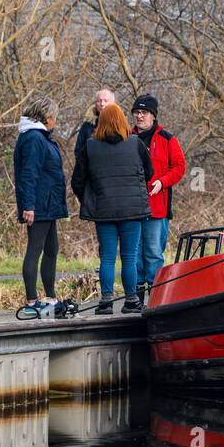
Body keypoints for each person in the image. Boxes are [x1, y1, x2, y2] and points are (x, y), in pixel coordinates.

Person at [71, 102, 155, 314]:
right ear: (122, 120)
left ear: (101, 123)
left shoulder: (90, 146)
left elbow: (77, 181)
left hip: (104, 210)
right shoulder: (135, 143)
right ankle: (131, 301)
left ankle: (106, 302)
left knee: (107, 257)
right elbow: (150, 172)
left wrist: (89, 199)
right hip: (132, 209)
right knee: (129, 256)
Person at [13, 96, 68, 317]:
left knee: (52, 249)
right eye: (54, 117)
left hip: (48, 204)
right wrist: (29, 206)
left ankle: (50, 297)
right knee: (35, 249)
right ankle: (31, 301)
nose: (55, 121)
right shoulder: (35, 138)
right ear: (47, 118)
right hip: (39, 204)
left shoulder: (39, 137)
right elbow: (29, 174)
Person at [130, 95, 187, 301]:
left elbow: (179, 167)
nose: (139, 116)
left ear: (153, 116)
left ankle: (156, 298)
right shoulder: (126, 137)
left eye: (143, 113)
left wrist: (162, 182)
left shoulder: (167, 138)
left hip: (158, 208)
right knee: (134, 254)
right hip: (132, 208)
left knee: (153, 253)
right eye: (136, 112)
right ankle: (134, 298)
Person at [74, 87, 116, 160]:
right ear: (96, 104)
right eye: (99, 101)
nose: (102, 104)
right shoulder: (87, 126)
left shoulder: (118, 125)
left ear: (113, 104)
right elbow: (78, 151)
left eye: (106, 101)